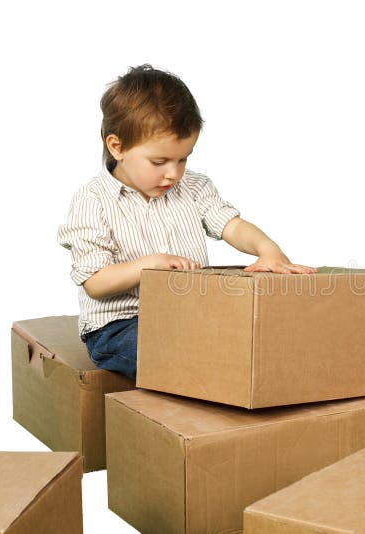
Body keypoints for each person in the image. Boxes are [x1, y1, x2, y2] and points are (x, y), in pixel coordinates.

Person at [57, 64, 316, 380]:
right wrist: (149, 265)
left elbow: (231, 225)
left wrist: (267, 248)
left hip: (191, 317)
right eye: (159, 161)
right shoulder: (92, 200)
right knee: (183, 352)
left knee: (253, 334)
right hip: (121, 326)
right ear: (117, 147)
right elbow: (95, 283)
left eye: (183, 158)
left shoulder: (193, 187)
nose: (173, 173)